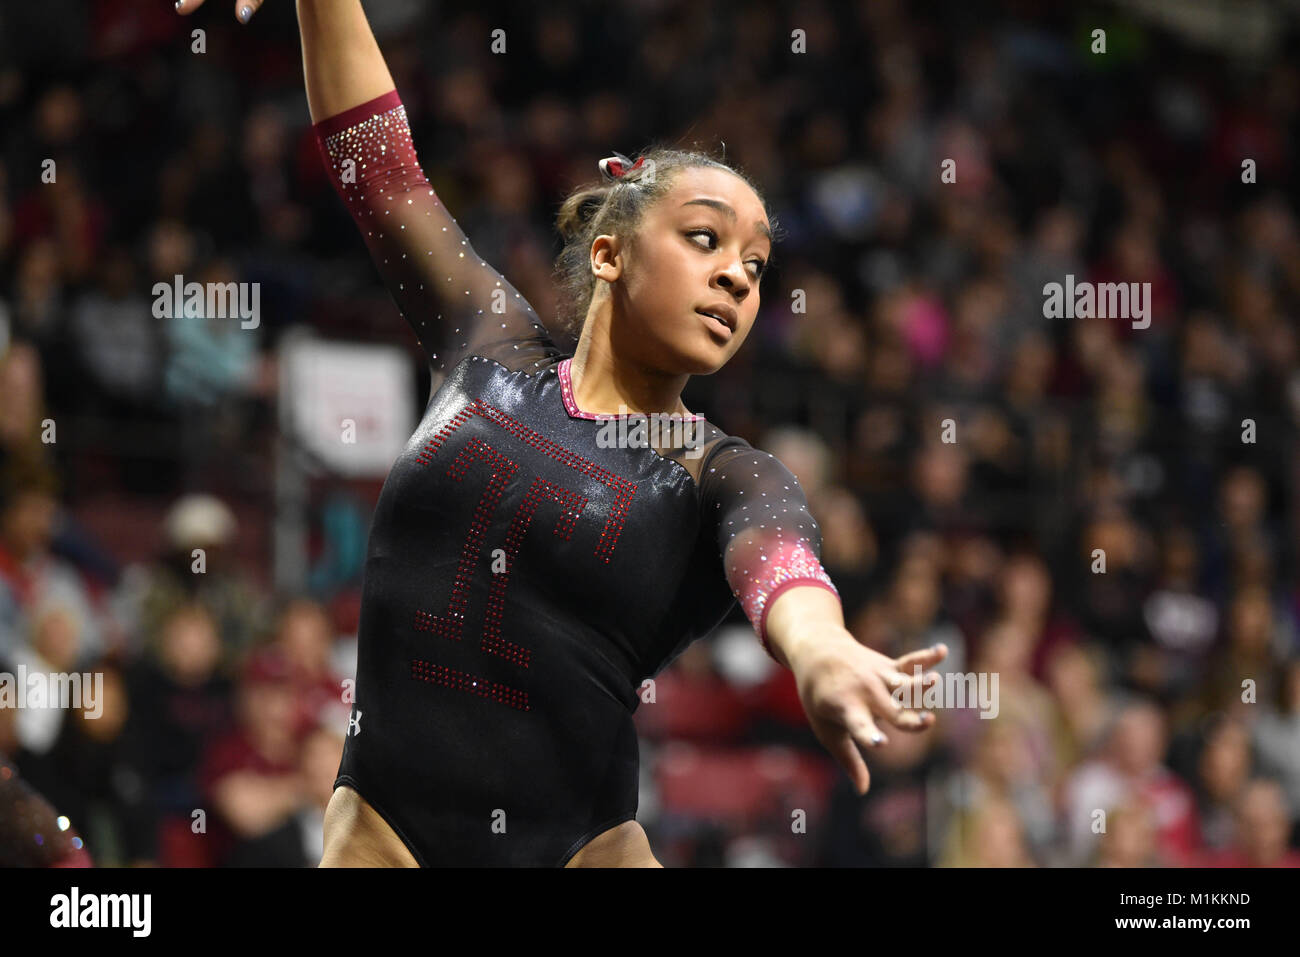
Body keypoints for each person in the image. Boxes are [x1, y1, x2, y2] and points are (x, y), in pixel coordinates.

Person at [176, 0, 947, 867]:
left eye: (758, 265)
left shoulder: (720, 473)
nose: (737, 274)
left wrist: (824, 650)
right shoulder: (486, 342)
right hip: (382, 840)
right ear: (611, 253)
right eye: (705, 239)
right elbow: (381, 169)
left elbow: (782, 566)